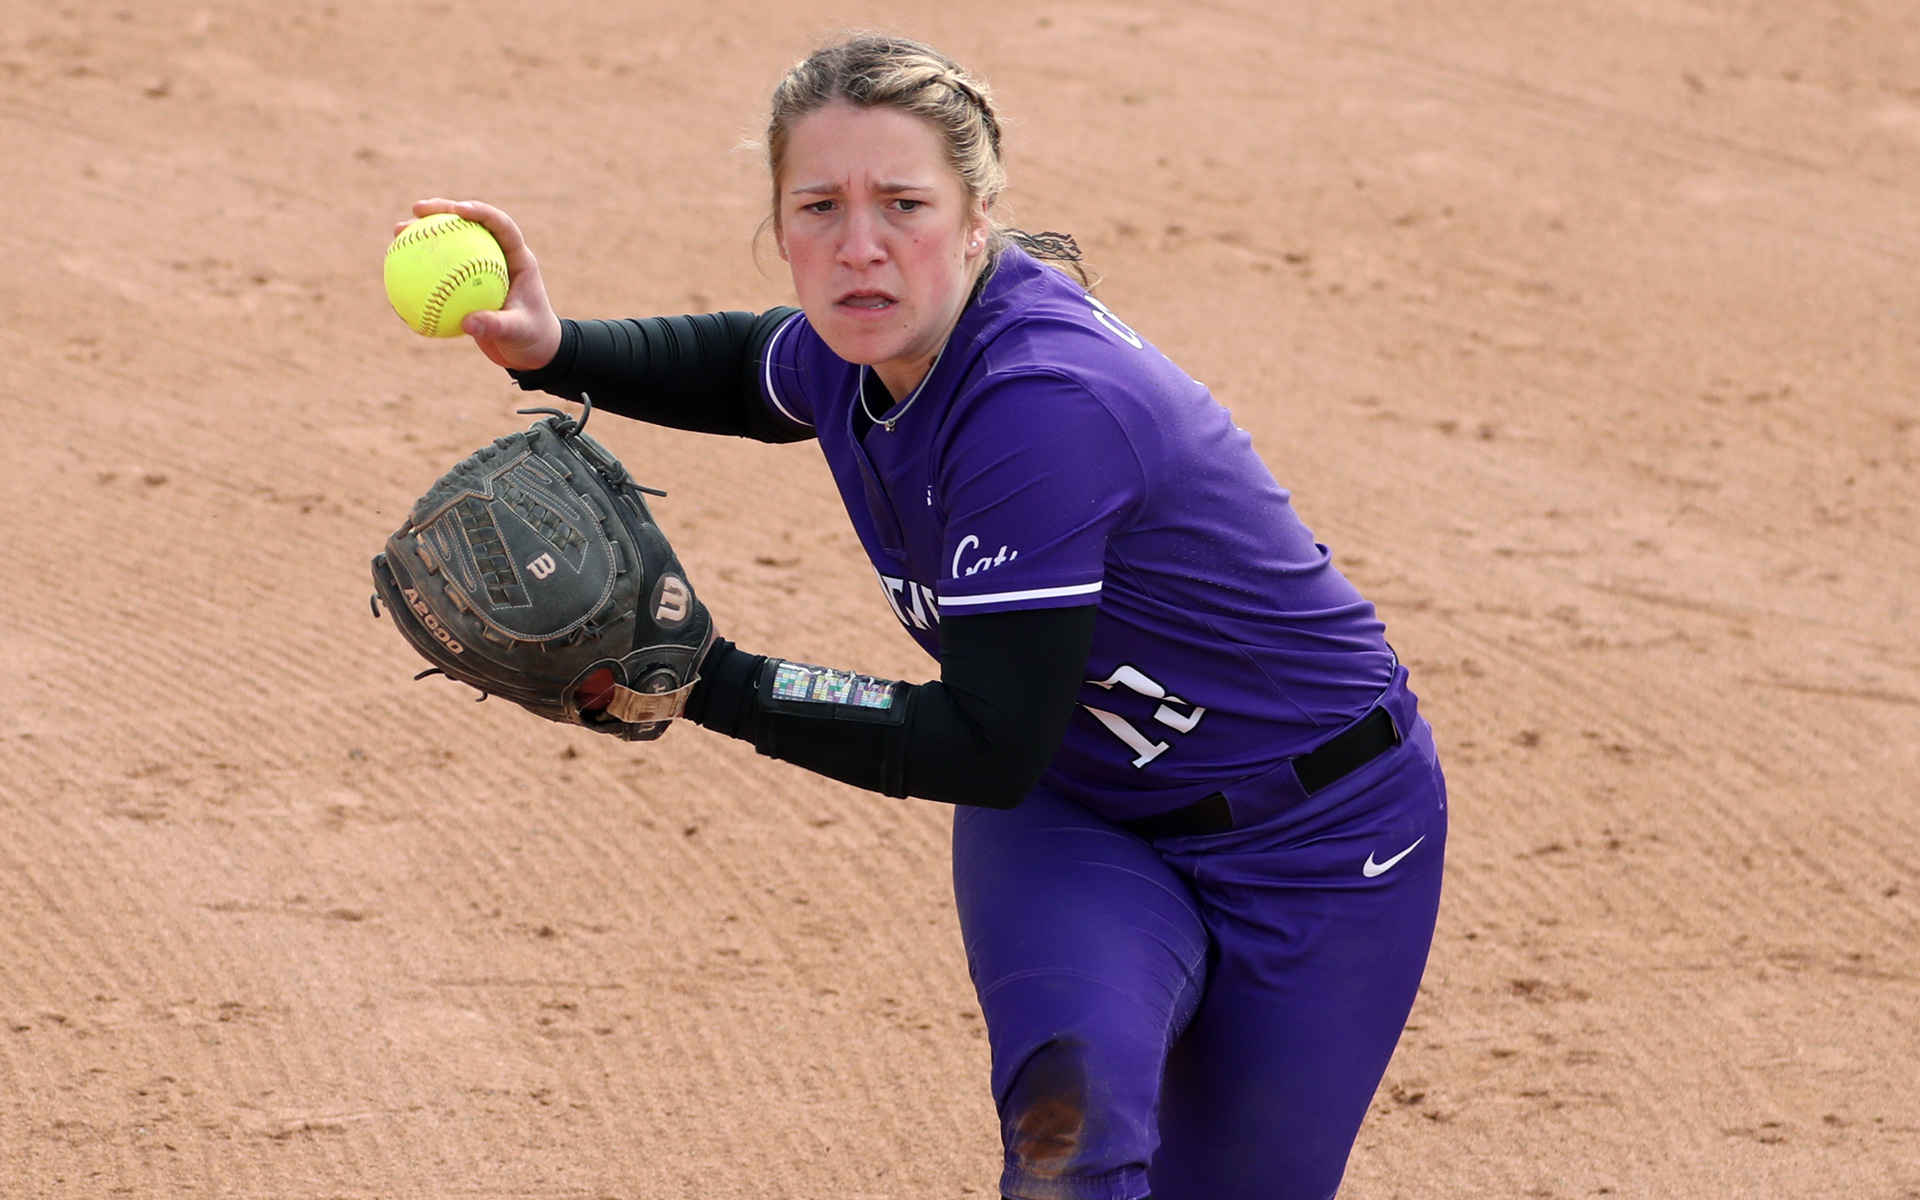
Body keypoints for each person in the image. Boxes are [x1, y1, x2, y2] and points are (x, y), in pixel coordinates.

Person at [406, 34, 1447, 1200]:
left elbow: (983, 744)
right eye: (820, 207)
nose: (860, 246)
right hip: (1084, 812)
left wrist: (707, 679)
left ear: (975, 219)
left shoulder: (1039, 409)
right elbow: (756, 362)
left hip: (1319, 840)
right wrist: (559, 351)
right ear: (782, 226)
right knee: (1070, 1138)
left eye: (904, 203)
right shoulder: (867, 350)